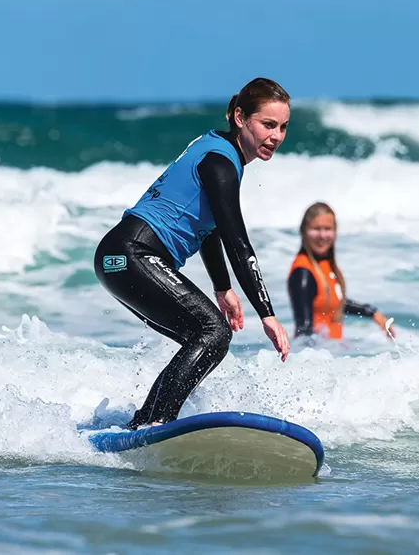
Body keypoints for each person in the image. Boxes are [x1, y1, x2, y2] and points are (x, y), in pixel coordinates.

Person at [94, 77, 290, 430]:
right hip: (131, 254)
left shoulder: (216, 148)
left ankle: (143, 424)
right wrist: (267, 313)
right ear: (240, 117)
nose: (276, 136)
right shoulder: (221, 163)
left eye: (283, 127)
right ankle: (158, 425)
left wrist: (222, 288)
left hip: (118, 258)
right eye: (268, 125)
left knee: (204, 334)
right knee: (213, 333)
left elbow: (209, 227)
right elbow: (237, 240)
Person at [288, 202, 395, 341]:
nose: (322, 235)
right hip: (318, 355)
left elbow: (334, 303)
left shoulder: (324, 265)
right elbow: (304, 330)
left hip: (331, 352)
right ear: (303, 230)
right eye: (316, 229)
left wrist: (372, 313)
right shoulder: (303, 272)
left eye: (327, 229)